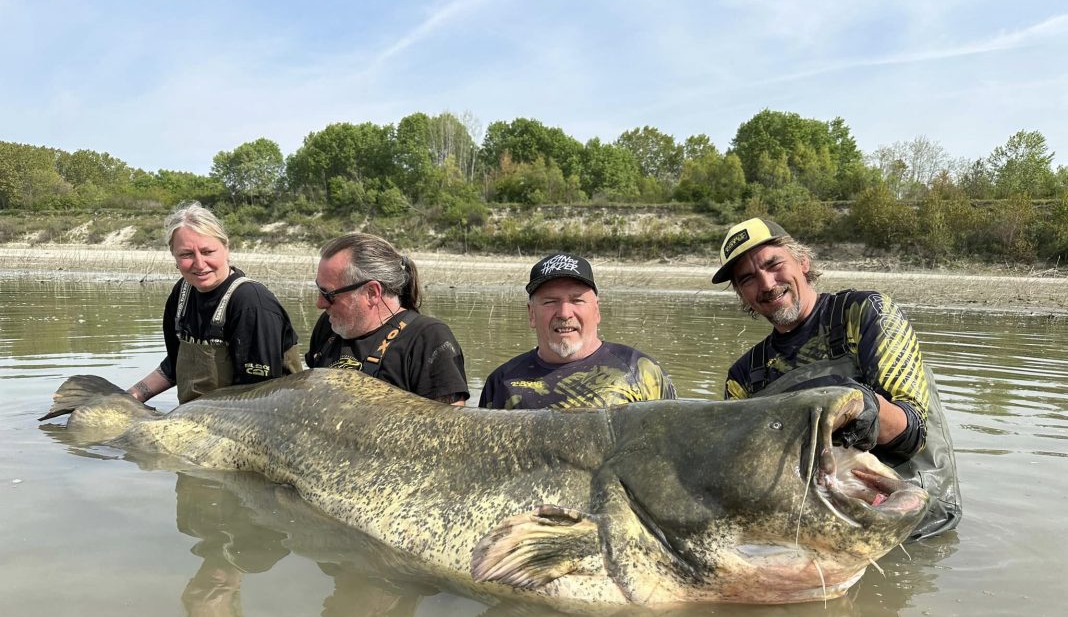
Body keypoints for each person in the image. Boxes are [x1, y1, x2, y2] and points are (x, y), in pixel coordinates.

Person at [712, 217, 961, 538]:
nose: (767, 284)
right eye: (747, 279)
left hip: (913, 523)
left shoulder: (866, 313)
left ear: (803, 262)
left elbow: (911, 432)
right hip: (816, 529)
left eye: (774, 264)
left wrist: (863, 406)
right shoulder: (744, 376)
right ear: (741, 294)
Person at [127, 201, 302, 404]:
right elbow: (174, 364)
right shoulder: (181, 293)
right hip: (199, 412)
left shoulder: (251, 303)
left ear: (226, 249)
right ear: (174, 256)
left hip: (261, 411)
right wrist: (131, 397)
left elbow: (259, 394)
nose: (200, 264)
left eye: (207, 251)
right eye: (186, 254)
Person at [479, 253, 676, 409]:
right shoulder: (502, 381)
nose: (565, 313)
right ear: (531, 314)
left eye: (577, 300)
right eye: (550, 302)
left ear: (597, 311)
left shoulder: (640, 371)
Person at [305, 233, 469, 405]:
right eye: (319, 289)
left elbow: (450, 420)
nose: (320, 304)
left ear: (372, 293)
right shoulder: (329, 325)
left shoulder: (428, 339)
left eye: (328, 294)